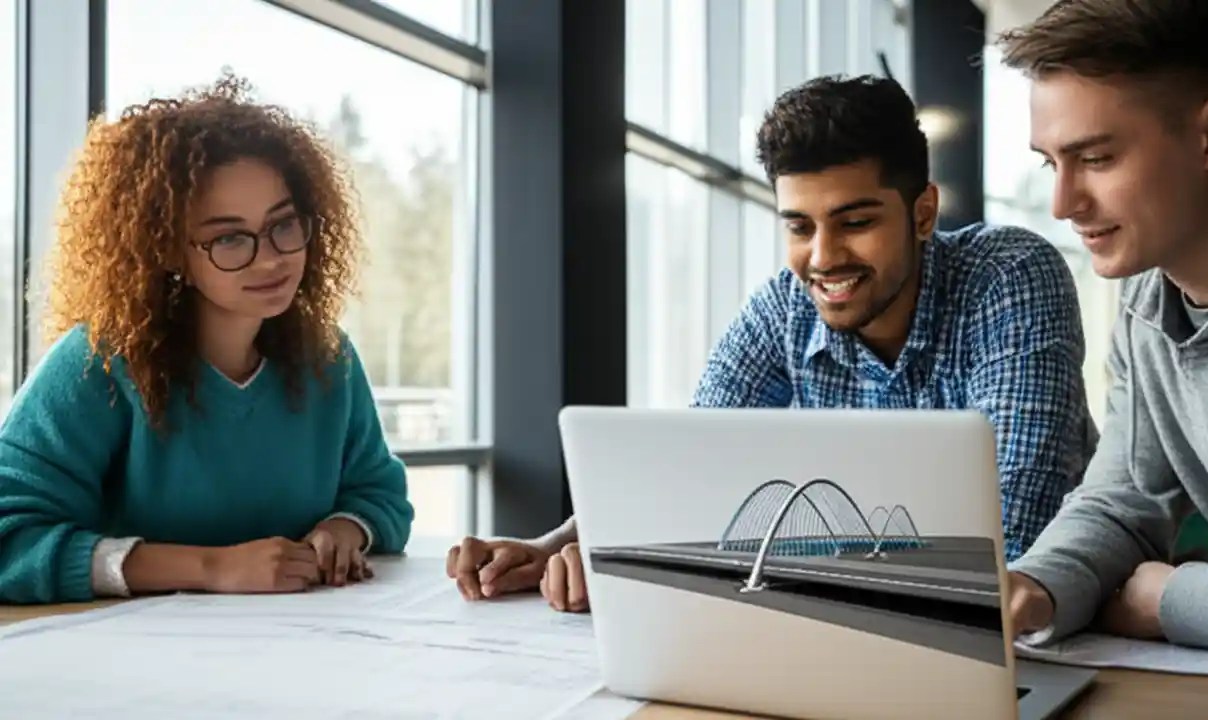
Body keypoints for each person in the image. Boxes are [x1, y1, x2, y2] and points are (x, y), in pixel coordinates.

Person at [447, 74, 1097, 612]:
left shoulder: (1009, 276)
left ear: (922, 212)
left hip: (1060, 626)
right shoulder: (783, 308)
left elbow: (1014, 526)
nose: (823, 257)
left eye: (857, 222)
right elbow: (689, 461)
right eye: (799, 225)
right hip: (850, 623)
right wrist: (561, 542)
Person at [0, 74, 414, 604]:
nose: (270, 257)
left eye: (284, 225)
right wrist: (210, 567)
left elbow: (380, 493)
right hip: (122, 665)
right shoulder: (97, 364)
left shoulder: (328, 358)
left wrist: (345, 530)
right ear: (169, 251)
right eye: (229, 238)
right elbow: (9, 539)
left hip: (301, 652)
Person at [997, 0, 1208, 662]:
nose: (1064, 204)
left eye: (1095, 158)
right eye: (1050, 163)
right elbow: (1126, 496)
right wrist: (1033, 586)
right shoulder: (1147, 294)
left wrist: (1174, 600)